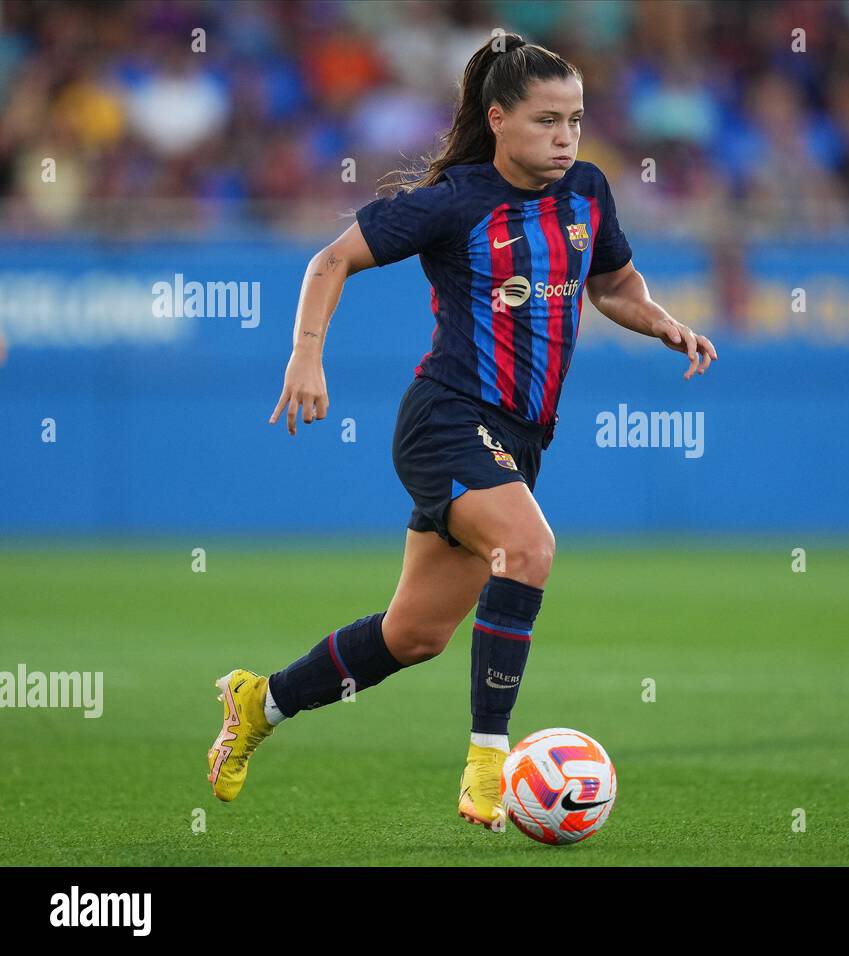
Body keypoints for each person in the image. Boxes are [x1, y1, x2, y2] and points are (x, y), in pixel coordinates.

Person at [207, 34, 717, 828]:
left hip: (522, 438)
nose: (565, 138)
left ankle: (258, 702)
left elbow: (612, 282)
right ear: (499, 119)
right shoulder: (454, 202)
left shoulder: (587, 192)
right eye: (547, 121)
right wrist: (306, 355)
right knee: (532, 549)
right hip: (446, 418)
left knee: (412, 636)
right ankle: (488, 761)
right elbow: (330, 260)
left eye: (576, 120)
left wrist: (658, 320)